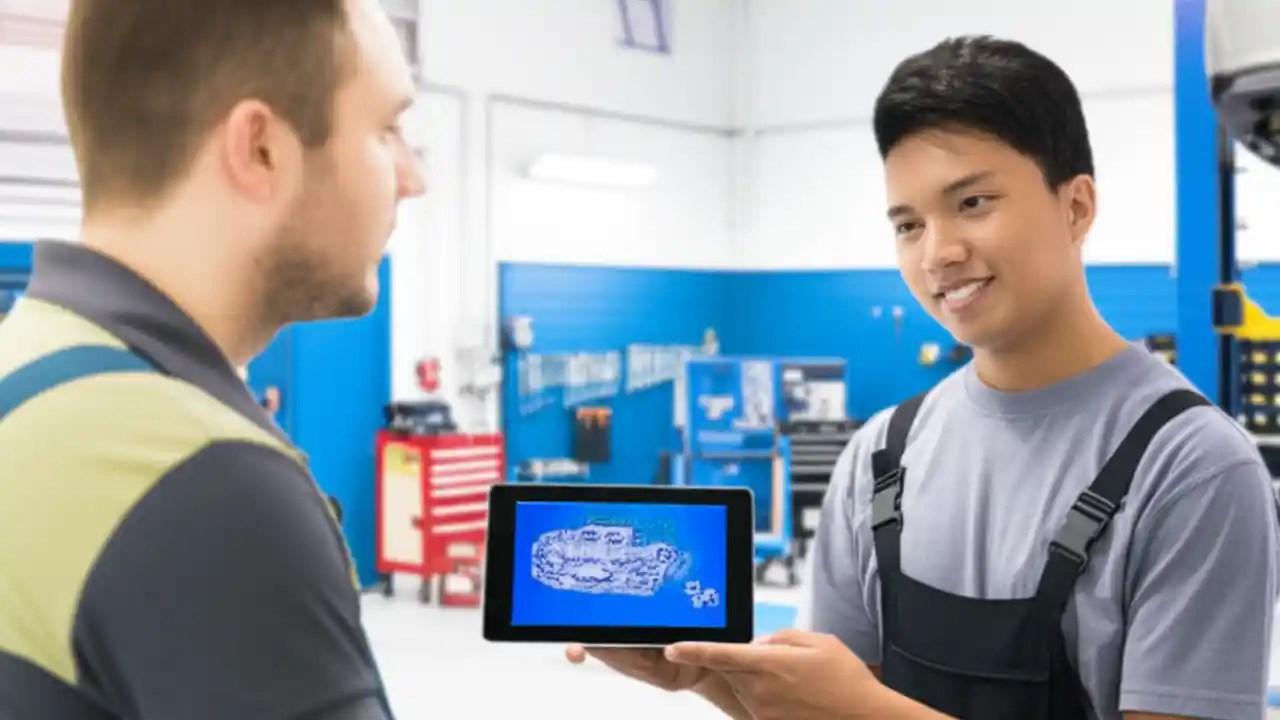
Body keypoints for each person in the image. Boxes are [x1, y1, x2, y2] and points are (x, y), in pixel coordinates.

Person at [569, 35, 1280, 720]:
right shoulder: (883, 457)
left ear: (1077, 206)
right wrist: (703, 676)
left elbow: (855, 712)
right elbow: (828, 714)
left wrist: (865, 712)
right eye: (908, 225)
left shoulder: (1190, 470)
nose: (938, 253)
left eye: (972, 203)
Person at [0, 0, 423, 718]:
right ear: (260, 148)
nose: (412, 177)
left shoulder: (29, 362)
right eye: (386, 129)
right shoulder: (206, 483)